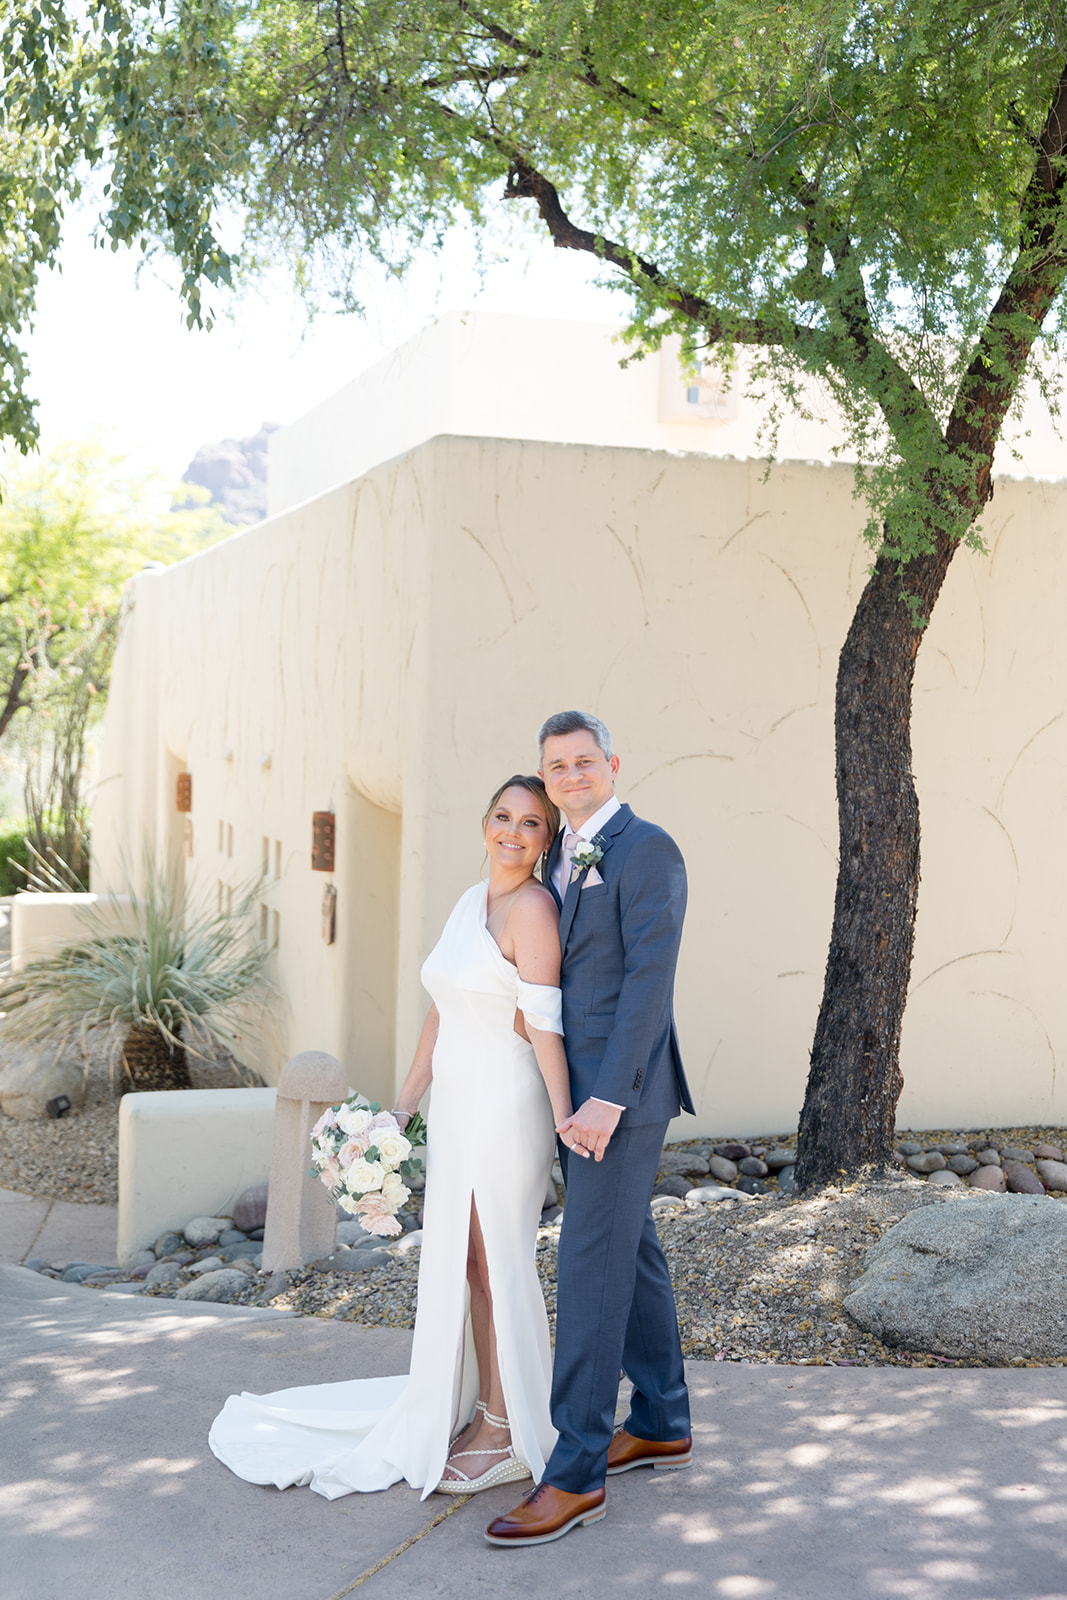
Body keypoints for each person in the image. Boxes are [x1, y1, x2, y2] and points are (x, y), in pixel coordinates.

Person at [209, 775, 574, 1499]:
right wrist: (403, 1109)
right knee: (470, 1265)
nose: (512, 831)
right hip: (458, 1105)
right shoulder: (474, 902)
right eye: (501, 815)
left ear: (545, 840)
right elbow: (440, 1010)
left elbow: (540, 1022)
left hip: (504, 1103)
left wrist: (565, 1119)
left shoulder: (532, 908)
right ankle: (476, 1406)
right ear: (484, 822)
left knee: (496, 1263)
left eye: (531, 823)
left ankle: (507, 1430)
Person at [486, 711, 695, 1548]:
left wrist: (605, 1099)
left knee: (588, 1266)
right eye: (554, 766)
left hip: (621, 1098)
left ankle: (573, 1473)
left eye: (582, 761)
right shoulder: (563, 855)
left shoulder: (648, 850)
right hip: (575, 1094)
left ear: (611, 763)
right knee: (627, 1248)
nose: (569, 775)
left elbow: (649, 981)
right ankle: (660, 1419)